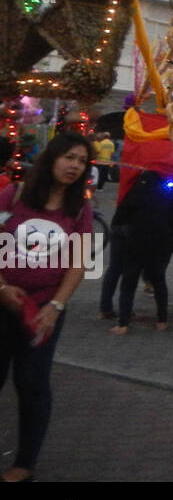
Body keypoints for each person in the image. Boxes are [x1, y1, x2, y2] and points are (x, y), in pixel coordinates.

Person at [0, 132, 94, 482]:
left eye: (82, 161)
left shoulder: (81, 208)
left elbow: (79, 262)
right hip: (3, 300)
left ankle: (24, 462)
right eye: (69, 157)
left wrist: (56, 305)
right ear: (53, 157)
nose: (74, 166)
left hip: (44, 309)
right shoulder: (16, 193)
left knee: (32, 381)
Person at [109, 171, 173, 334]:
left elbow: (122, 215)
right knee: (159, 282)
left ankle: (123, 324)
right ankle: (162, 321)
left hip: (136, 243)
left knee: (128, 284)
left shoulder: (136, 191)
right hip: (158, 244)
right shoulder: (167, 191)